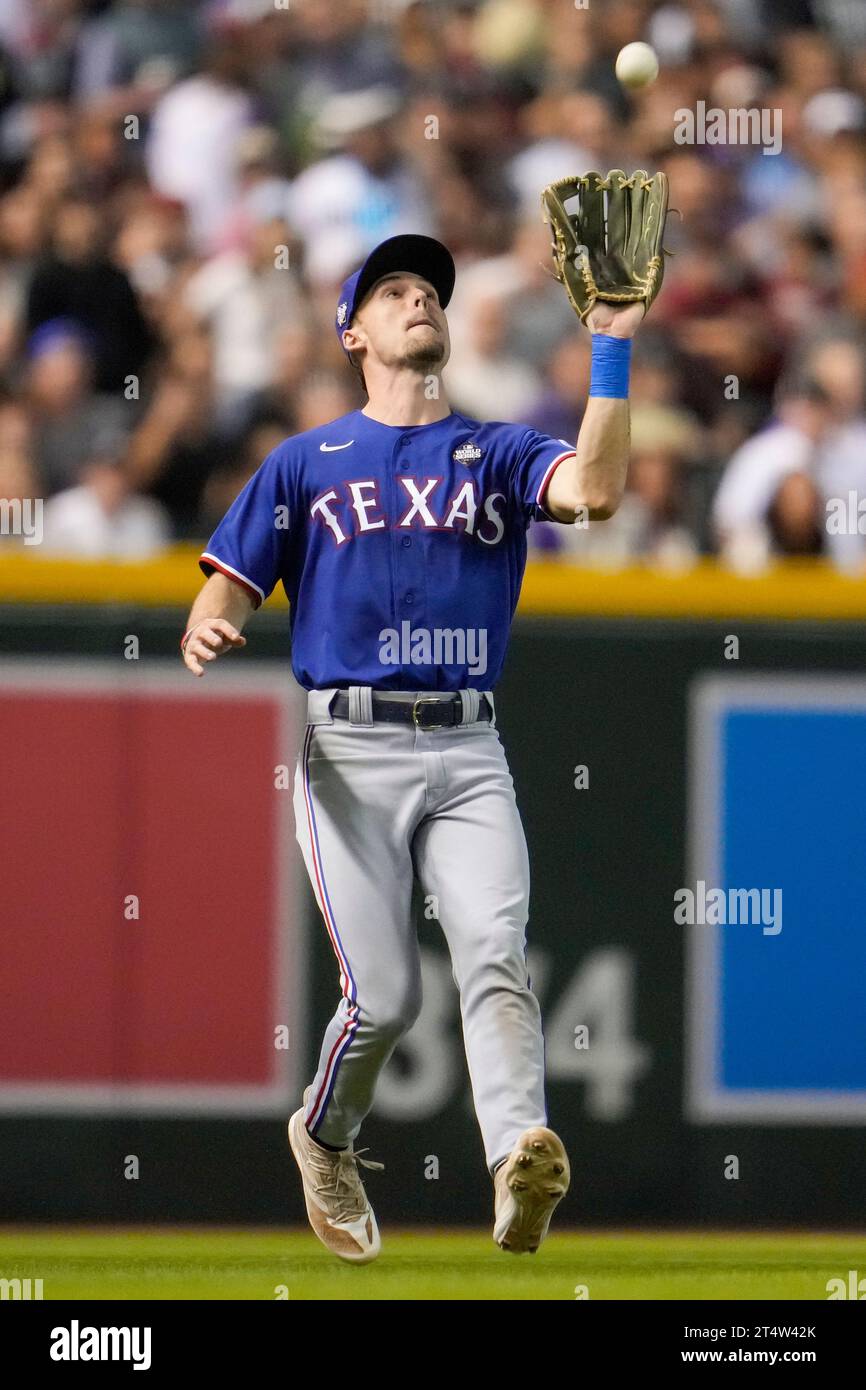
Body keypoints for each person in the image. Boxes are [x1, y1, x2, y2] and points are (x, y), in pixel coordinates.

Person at [180, 233, 644, 1263]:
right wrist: (210, 614)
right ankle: (324, 1132)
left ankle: (517, 1156)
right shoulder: (306, 459)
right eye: (390, 291)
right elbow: (228, 575)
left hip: (468, 743)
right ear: (353, 331)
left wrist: (608, 348)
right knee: (383, 998)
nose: (416, 299)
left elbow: (597, 494)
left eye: (426, 287)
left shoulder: (499, 447)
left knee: (493, 955)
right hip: (348, 752)